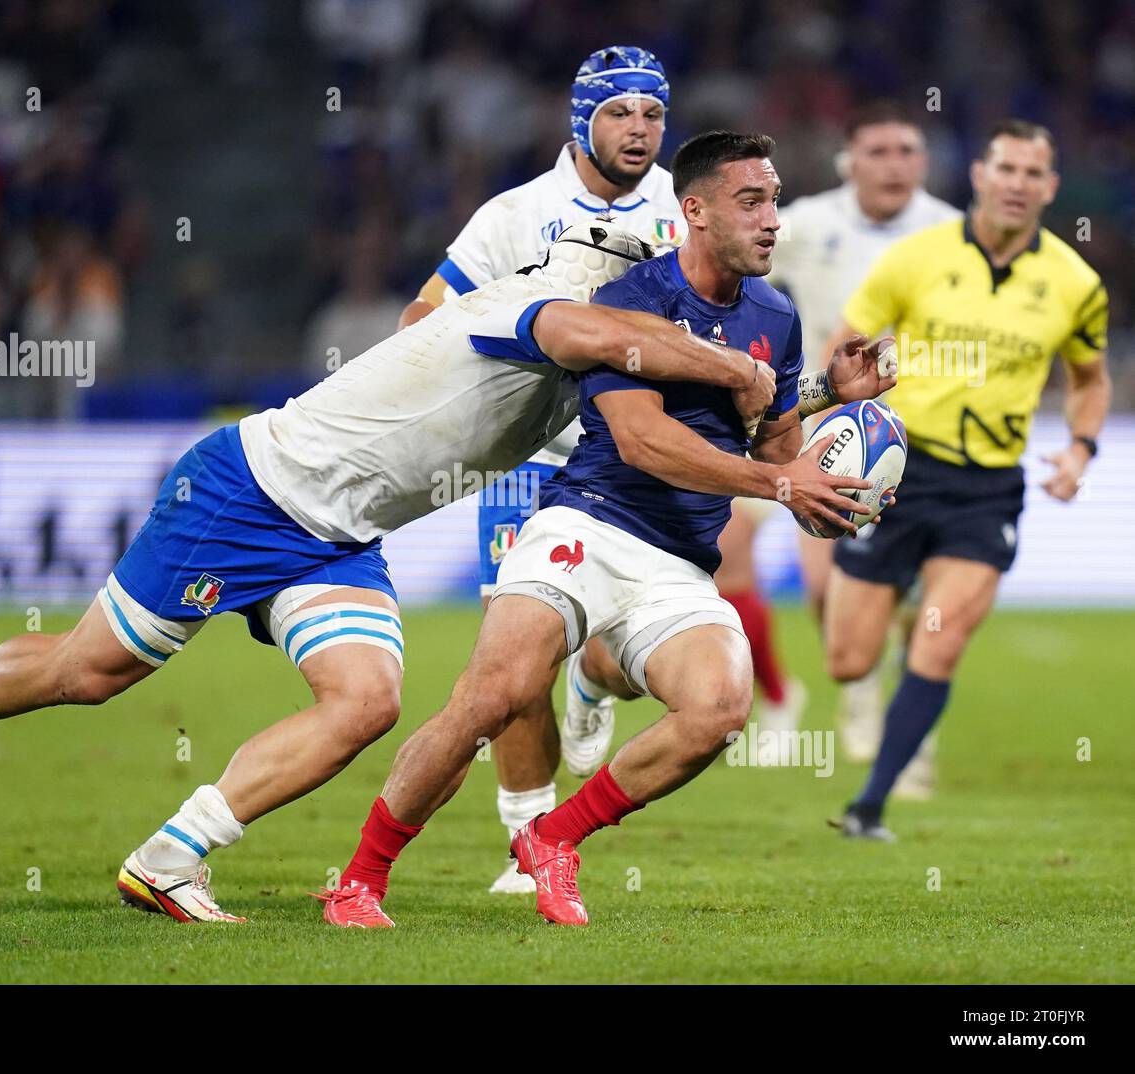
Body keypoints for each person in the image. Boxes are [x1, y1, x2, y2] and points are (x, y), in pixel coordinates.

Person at [0, 224, 782, 924]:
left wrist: (814, 392)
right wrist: (731, 364)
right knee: (90, 673)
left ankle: (175, 854)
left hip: (342, 534)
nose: (658, 305)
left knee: (368, 700)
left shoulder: (591, 359)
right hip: (251, 492)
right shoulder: (543, 311)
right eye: (643, 293)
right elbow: (607, 337)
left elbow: (669, 409)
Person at [318, 132, 897, 929]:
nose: (772, 221)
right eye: (751, 202)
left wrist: (830, 416)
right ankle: (360, 877)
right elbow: (642, 440)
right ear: (693, 210)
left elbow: (773, 443)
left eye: (774, 201)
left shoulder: (776, 313)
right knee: (493, 697)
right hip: (587, 526)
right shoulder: (633, 302)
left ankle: (554, 839)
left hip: (679, 562)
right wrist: (776, 481)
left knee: (719, 709)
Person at [399, 45, 687, 894]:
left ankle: (596, 685)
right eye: (620, 112)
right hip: (532, 462)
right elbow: (429, 307)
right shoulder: (514, 215)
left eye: (653, 113)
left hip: (641, 458)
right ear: (581, 120)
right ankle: (527, 841)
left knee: (623, 659)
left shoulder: (685, 206)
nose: (639, 130)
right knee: (513, 665)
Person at [824, 120, 1111, 840]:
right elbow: (846, 347)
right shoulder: (915, 258)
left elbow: (1090, 380)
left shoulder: (1076, 284)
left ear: (1050, 187)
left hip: (986, 488)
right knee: (846, 659)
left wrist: (1079, 448)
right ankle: (894, 631)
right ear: (980, 175)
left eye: (1033, 173)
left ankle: (870, 806)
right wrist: (836, 424)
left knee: (941, 642)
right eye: (1005, 168)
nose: (1018, 184)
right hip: (898, 473)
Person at [719, 101, 960, 771]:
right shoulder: (800, 226)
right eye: (878, 152)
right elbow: (730, 266)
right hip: (808, 417)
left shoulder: (952, 235)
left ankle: (900, 714)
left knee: (906, 592)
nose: (894, 164)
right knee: (735, 548)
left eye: (907, 151)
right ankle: (796, 692)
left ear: (924, 161)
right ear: (848, 162)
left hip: (912, 435)